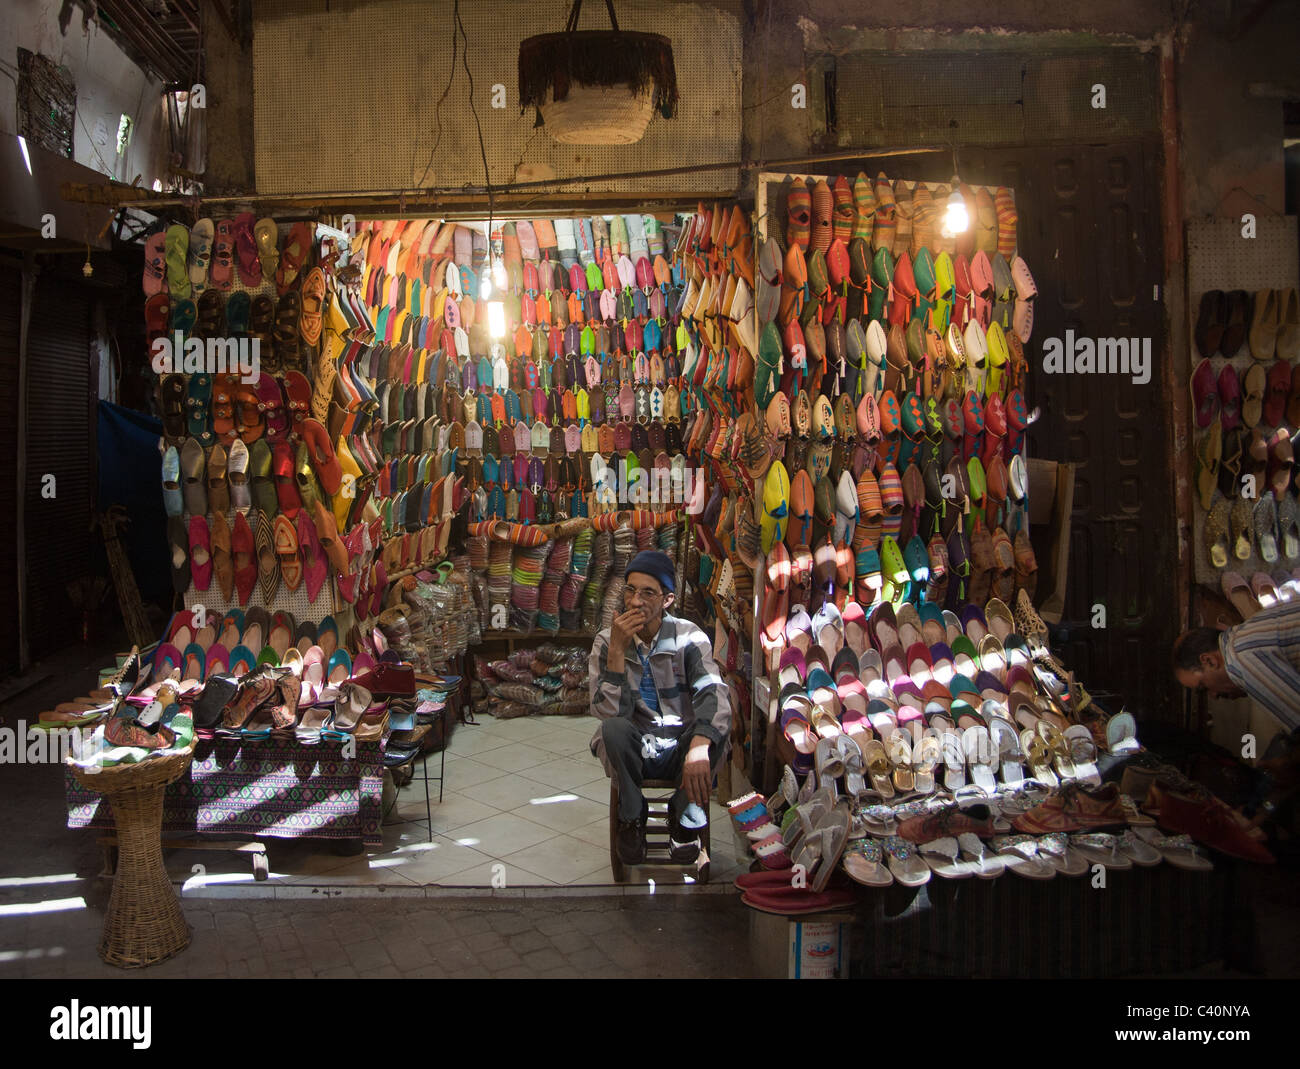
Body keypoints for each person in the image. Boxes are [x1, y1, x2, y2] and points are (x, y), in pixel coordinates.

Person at [588, 549, 730, 865]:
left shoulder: (688, 637)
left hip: (680, 748)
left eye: (648, 593)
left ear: (667, 600)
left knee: (717, 729)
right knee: (611, 729)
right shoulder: (606, 641)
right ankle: (632, 813)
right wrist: (616, 654)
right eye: (630, 590)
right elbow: (605, 713)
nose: (635, 601)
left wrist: (698, 745)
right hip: (635, 751)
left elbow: (715, 694)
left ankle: (681, 814)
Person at [1172, 599, 1300, 732]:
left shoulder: (1240, 660)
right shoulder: (1242, 633)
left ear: (1209, 661)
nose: (1213, 695)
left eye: (1203, 687)